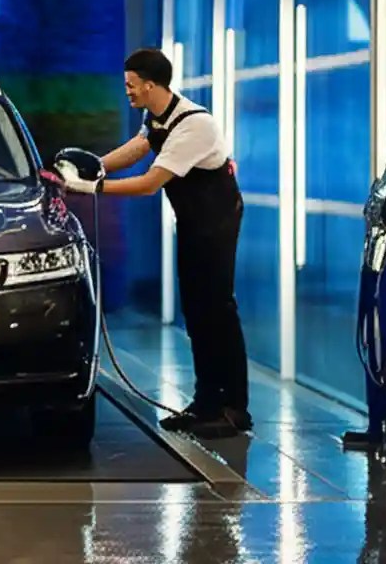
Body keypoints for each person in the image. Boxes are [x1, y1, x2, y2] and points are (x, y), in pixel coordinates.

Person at [58, 48, 252, 438]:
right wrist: (94, 164)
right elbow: (139, 146)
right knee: (196, 313)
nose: (127, 91)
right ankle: (205, 402)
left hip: (216, 224)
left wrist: (91, 187)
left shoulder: (194, 125)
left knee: (218, 312)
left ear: (150, 84)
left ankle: (233, 408)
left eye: (131, 85)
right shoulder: (159, 117)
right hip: (194, 223)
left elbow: (149, 183)